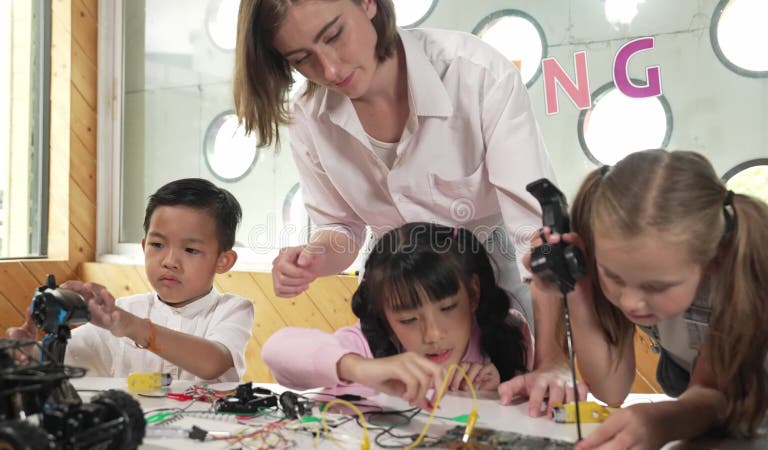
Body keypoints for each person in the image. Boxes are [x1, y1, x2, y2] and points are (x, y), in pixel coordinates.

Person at [235, 0, 572, 408]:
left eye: (335, 35)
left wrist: (550, 359)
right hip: (397, 299)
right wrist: (313, 258)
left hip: (501, 300)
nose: (331, 70)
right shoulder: (311, 118)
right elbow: (341, 229)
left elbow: (535, 234)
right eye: (301, 59)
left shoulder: (475, 74)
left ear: (368, 3)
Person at [526, 150, 768, 449]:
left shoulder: (750, 277)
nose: (630, 302)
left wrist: (660, 421)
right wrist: (577, 286)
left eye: (656, 287)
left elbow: (718, 396)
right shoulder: (633, 266)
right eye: (613, 276)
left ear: (715, 259)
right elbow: (611, 389)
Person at [5, 178, 255, 383]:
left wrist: (132, 326)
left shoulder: (232, 309)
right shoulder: (122, 311)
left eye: (190, 250)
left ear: (223, 260)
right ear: (144, 246)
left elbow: (213, 363)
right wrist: (26, 351)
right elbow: (63, 358)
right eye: (157, 245)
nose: (169, 261)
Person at [262, 223, 534, 409]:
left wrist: (496, 391)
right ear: (383, 313)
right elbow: (276, 350)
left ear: (473, 293)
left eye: (447, 308)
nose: (433, 334)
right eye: (408, 320)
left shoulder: (508, 336)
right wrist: (360, 369)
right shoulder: (367, 347)